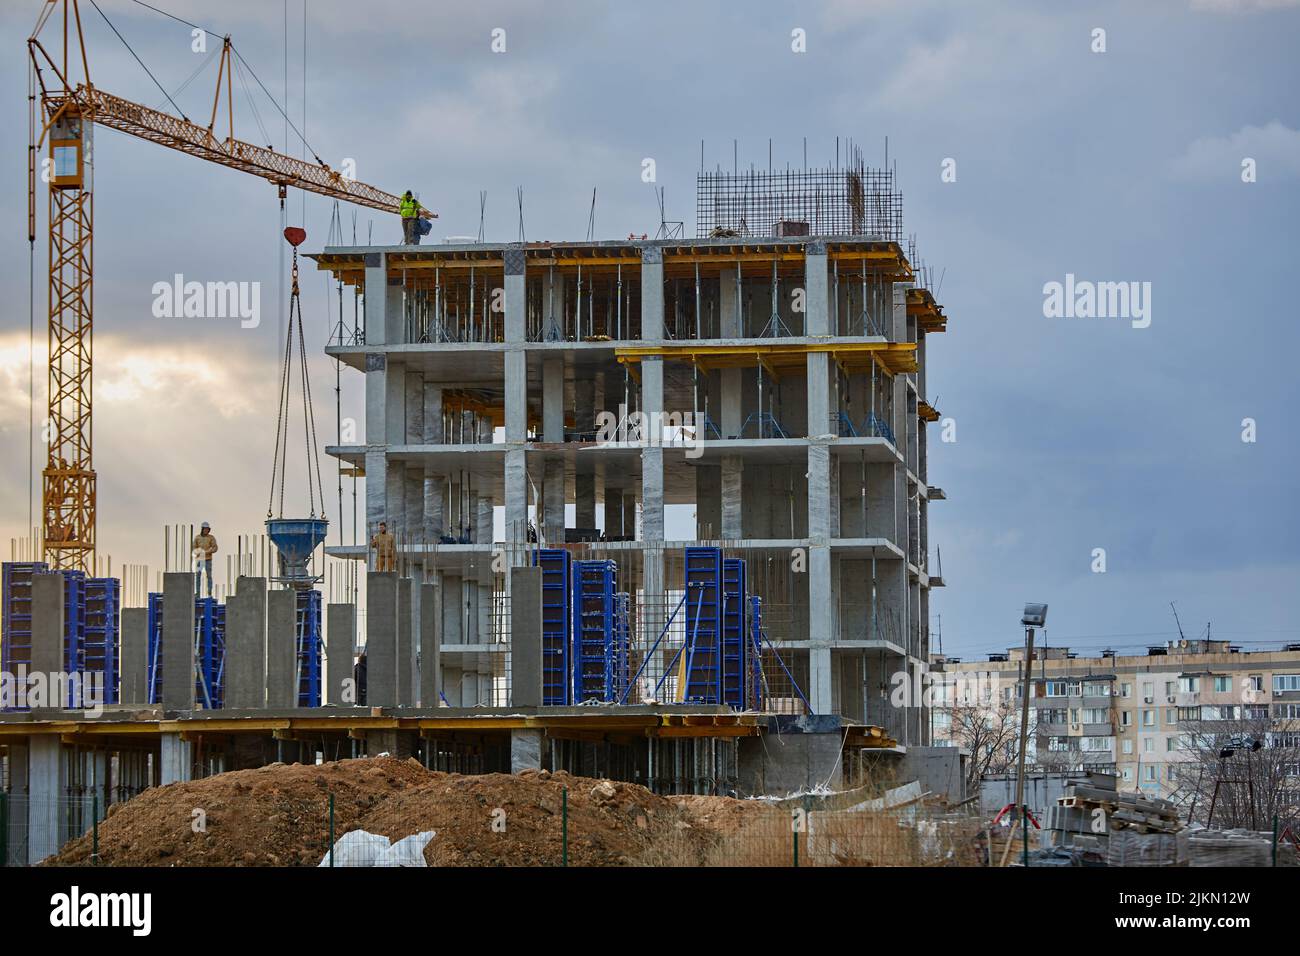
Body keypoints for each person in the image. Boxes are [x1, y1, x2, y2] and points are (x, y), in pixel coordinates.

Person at [193, 521, 218, 597]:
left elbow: (215, 548)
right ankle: (198, 593)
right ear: (202, 529)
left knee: (209, 576)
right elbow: (194, 548)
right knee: (198, 576)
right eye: (205, 529)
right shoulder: (197, 538)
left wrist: (208, 551)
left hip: (208, 559)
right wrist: (199, 552)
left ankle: (209, 592)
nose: (206, 530)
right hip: (199, 560)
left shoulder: (211, 538)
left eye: (208, 529)